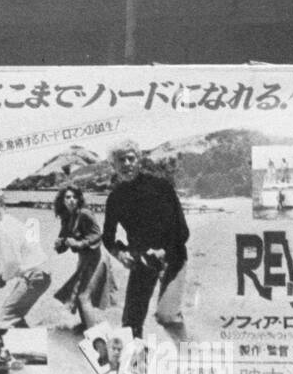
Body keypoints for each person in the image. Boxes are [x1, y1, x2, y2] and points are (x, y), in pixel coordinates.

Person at [101, 144, 190, 339]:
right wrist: (120, 253)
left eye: (131, 158)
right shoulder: (115, 198)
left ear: (138, 160)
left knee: (167, 315)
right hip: (141, 260)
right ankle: (138, 368)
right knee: (130, 324)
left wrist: (163, 251)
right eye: (121, 160)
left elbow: (182, 231)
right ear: (113, 165)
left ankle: (187, 356)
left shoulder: (161, 187)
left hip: (173, 255)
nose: (126, 164)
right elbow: (107, 237)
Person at [0, 194, 51, 330]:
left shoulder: (4, 228)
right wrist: (4, 275)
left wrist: (3, 278)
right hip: (41, 274)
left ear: (4, 208)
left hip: (34, 276)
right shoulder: (11, 221)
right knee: (15, 316)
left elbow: (12, 262)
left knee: (3, 318)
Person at [50, 184, 117, 330]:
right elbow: (64, 243)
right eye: (68, 197)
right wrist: (59, 244)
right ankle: (87, 325)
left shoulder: (85, 213)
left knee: (83, 296)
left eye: (74, 197)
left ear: (79, 199)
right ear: (62, 200)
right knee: (79, 294)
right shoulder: (66, 217)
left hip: (97, 259)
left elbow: (97, 235)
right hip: (84, 259)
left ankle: (94, 335)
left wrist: (79, 243)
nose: (71, 200)